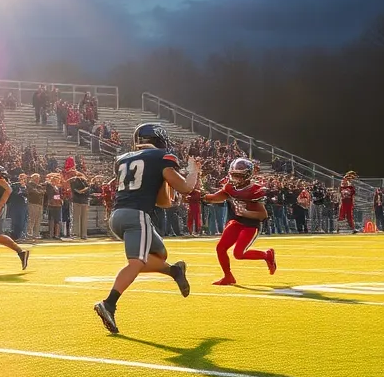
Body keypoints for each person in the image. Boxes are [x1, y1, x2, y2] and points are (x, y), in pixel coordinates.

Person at [92, 124, 195, 334]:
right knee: (136, 263)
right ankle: (109, 303)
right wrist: (194, 170)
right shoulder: (161, 156)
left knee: (160, 254)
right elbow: (186, 187)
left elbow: (163, 201)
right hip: (137, 215)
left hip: (118, 216)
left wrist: (164, 183)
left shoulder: (122, 158)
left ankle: (174, 270)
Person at [202, 157, 276, 286]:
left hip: (251, 225)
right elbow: (216, 198)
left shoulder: (254, 190)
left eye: (239, 176)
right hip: (236, 221)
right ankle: (228, 276)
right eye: (234, 175)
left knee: (239, 254)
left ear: (247, 176)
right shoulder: (230, 187)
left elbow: (263, 215)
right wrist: (201, 196)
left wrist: (246, 213)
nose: (235, 179)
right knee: (221, 248)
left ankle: (266, 255)